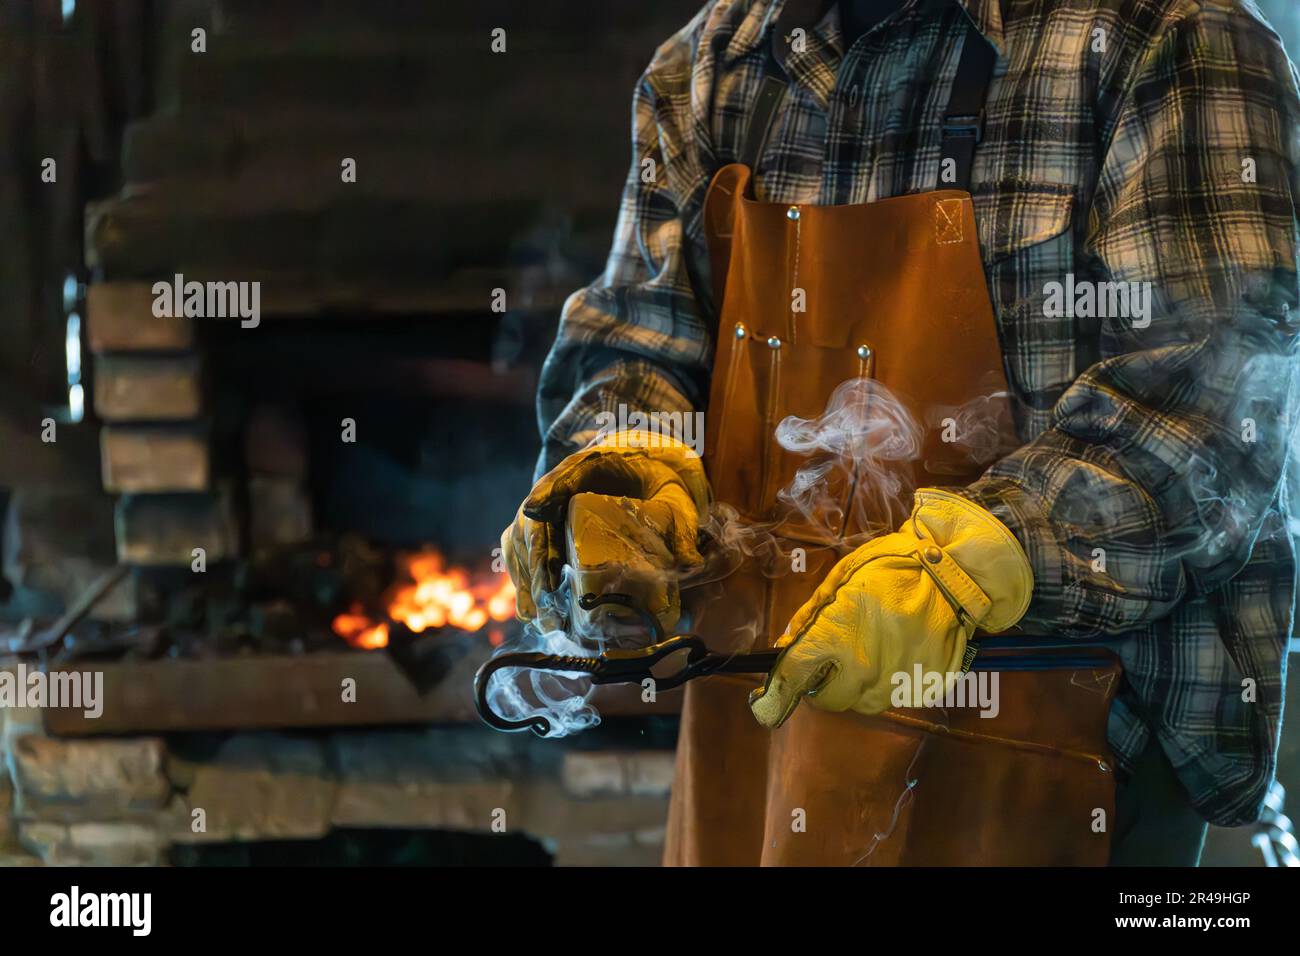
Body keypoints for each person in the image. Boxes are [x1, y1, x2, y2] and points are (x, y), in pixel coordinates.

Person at [501, 0, 1300, 865]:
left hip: (1064, 758)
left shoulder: (1169, 38)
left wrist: (975, 562)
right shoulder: (713, 62)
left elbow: (1212, 394)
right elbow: (637, 338)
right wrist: (623, 466)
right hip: (759, 734)